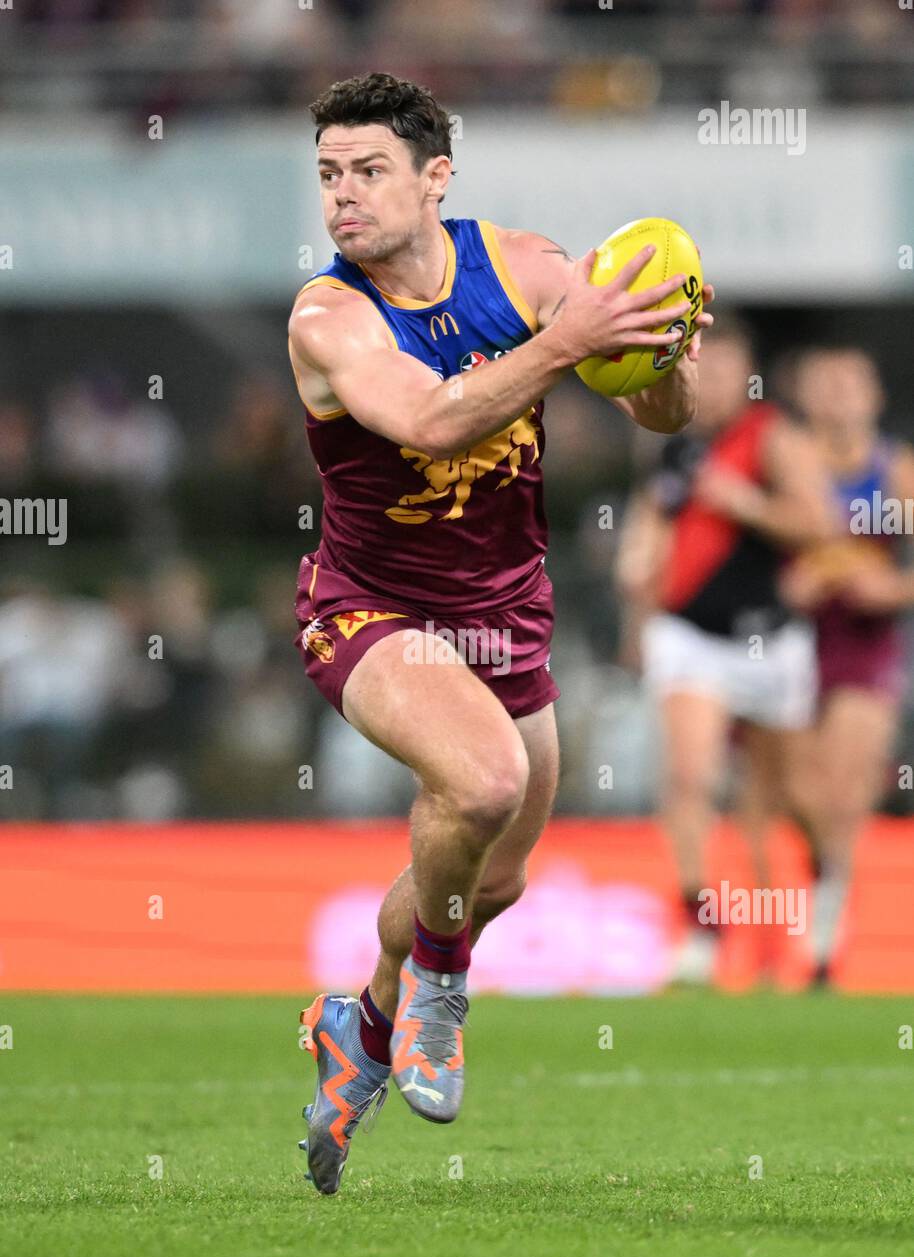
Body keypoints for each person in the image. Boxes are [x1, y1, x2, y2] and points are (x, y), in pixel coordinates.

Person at [287, 71, 712, 1193]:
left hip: (504, 608)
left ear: (435, 179)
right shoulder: (325, 316)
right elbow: (429, 423)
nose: (343, 195)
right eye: (329, 173)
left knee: (498, 877)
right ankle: (435, 994)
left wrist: (659, 352)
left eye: (368, 170)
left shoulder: (523, 267)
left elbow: (659, 416)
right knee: (476, 784)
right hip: (369, 607)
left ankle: (361, 1024)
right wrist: (565, 341)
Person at [615, 319, 833, 985]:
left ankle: (817, 910)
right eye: (698, 369)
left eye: (722, 370)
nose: (708, 384)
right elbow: (648, 537)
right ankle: (701, 926)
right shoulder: (671, 447)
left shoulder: (774, 440)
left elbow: (819, 525)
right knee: (689, 778)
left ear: (749, 376)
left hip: (770, 640)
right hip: (690, 637)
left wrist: (743, 503)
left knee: (786, 799)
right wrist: (637, 601)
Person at [781, 348, 914, 984]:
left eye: (849, 384)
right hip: (791, 636)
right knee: (799, 792)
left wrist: (892, 590)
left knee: (841, 790)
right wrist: (789, 582)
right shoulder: (786, 462)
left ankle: (826, 930)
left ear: (873, 397)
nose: (837, 395)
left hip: (865, 638)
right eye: (824, 383)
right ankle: (822, 872)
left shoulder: (897, 470)